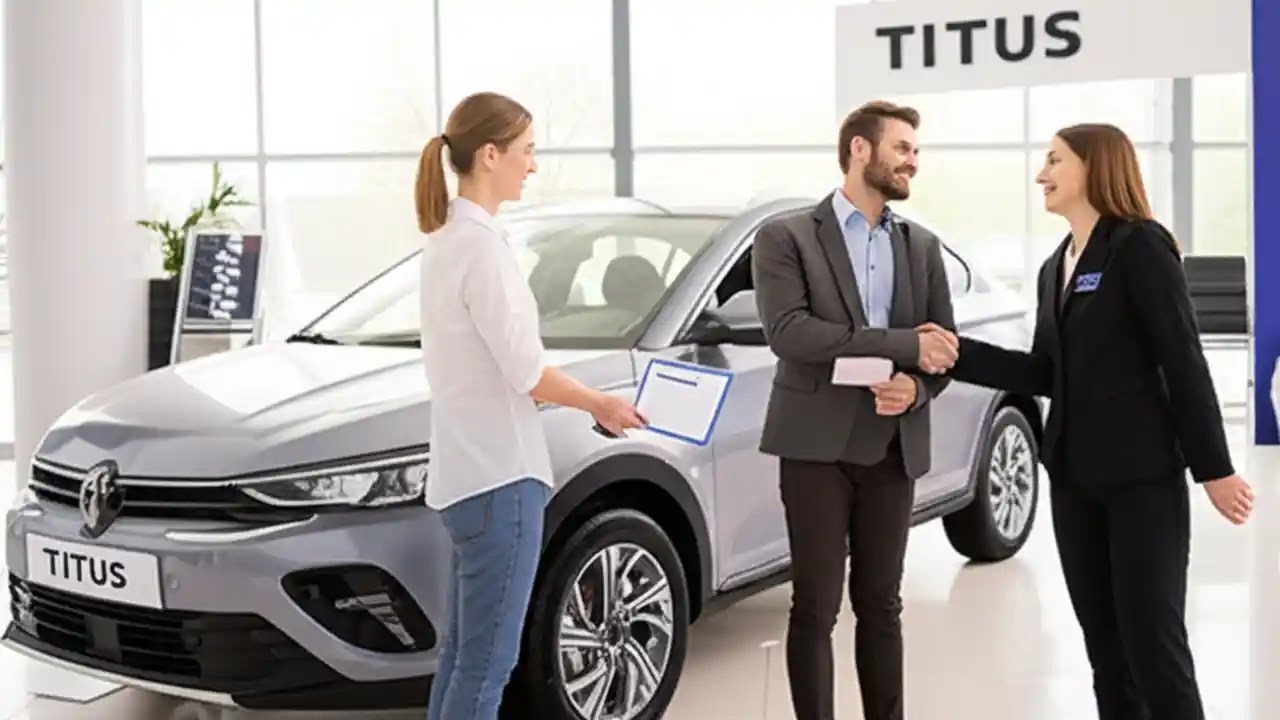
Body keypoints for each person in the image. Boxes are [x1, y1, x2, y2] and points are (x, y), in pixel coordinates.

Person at [937, 122, 1254, 720]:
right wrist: (958, 353)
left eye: (1055, 160)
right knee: (1105, 651)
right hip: (1074, 481)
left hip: (1142, 480)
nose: (1042, 174)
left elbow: (1181, 358)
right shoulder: (1056, 265)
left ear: (1095, 166)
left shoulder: (1139, 246)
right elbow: (1044, 371)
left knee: (1153, 646)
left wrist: (1214, 468)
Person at [414, 91, 646, 720]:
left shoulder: (444, 242)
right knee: (488, 668)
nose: (533, 166)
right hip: (500, 480)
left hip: (464, 478)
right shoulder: (483, 249)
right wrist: (601, 402)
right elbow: (526, 372)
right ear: (490, 155)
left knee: (463, 659)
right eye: (527, 151)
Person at [751, 100, 960, 720]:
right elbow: (791, 334)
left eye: (916, 152)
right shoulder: (785, 236)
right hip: (813, 445)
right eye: (902, 148)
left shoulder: (921, 245)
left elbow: (943, 349)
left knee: (883, 604)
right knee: (815, 605)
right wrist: (903, 346)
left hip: (892, 446)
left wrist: (916, 388)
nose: (912, 163)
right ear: (860, 150)